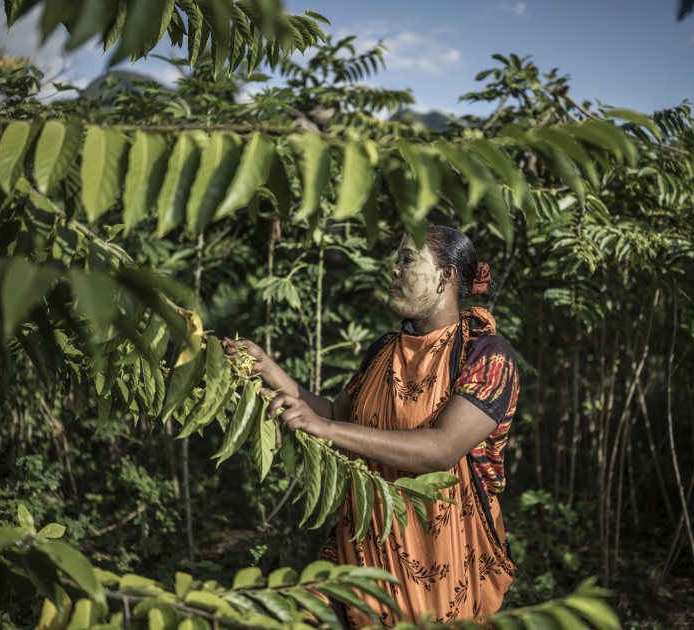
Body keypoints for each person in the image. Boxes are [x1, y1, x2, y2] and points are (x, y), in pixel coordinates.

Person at [222, 226, 519, 627]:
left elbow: (442, 448)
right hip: (363, 547)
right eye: (397, 261)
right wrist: (270, 371)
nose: (394, 271)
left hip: (443, 563)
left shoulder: (485, 354)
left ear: (446, 277)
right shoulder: (382, 351)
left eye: (407, 261)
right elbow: (336, 418)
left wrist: (324, 430)